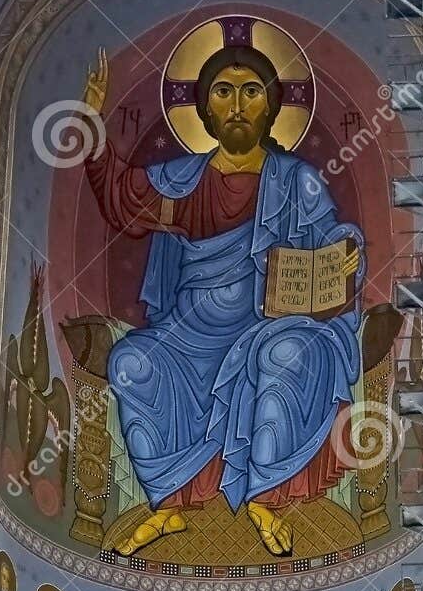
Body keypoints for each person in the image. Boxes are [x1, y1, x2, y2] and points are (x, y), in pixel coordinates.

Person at [82, 42, 365, 559]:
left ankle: (266, 496)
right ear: (206, 110)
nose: (237, 105)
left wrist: (346, 252)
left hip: (274, 322)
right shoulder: (182, 179)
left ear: (272, 106)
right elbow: (123, 197)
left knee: (284, 356)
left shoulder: (297, 181)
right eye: (224, 92)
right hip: (190, 330)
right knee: (130, 361)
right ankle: (170, 500)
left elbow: (334, 239)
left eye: (251, 92)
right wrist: (93, 124)